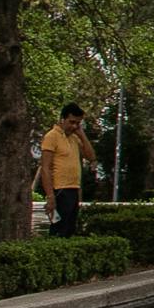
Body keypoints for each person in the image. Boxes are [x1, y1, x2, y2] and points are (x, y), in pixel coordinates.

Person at [38, 101, 98, 236]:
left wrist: (82, 134)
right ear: (62, 119)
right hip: (60, 189)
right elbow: (45, 168)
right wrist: (50, 196)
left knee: (70, 228)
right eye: (71, 122)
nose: (74, 126)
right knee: (60, 228)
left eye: (78, 123)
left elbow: (91, 157)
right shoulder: (51, 136)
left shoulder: (74, 138)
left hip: (74, 188)